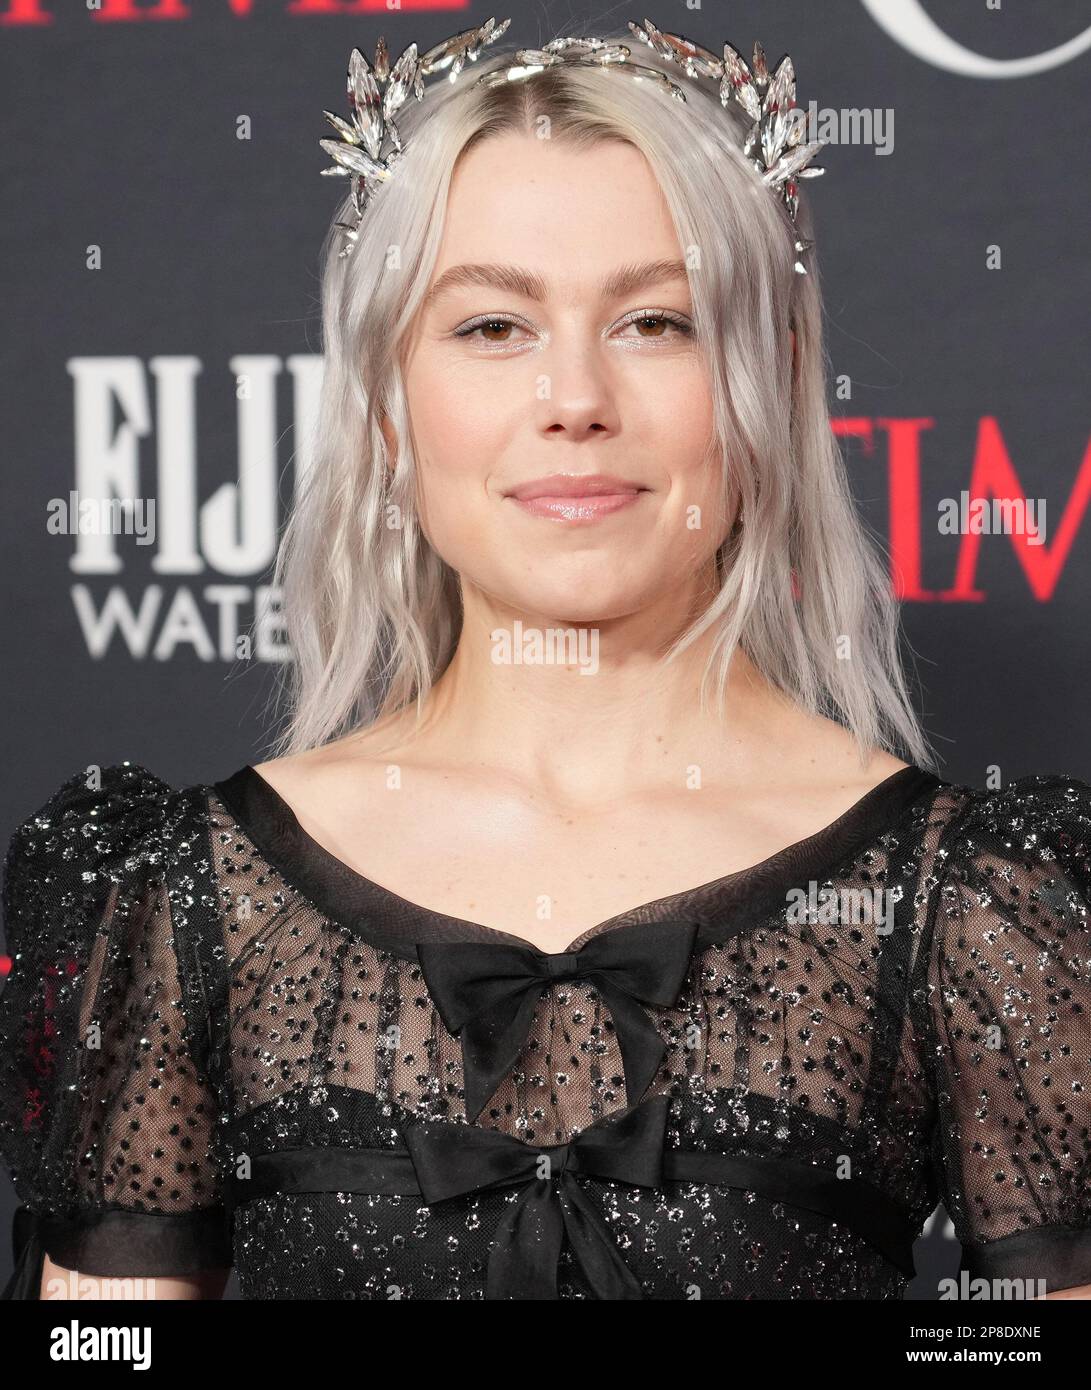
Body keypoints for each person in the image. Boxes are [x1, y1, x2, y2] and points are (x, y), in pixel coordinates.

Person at [1, 17, 1089, 1301]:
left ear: (768, 384)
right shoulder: (182, 894)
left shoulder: (968, 902)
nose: (573, 396)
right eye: (490, 327)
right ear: (384, 409)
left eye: (654, 321)